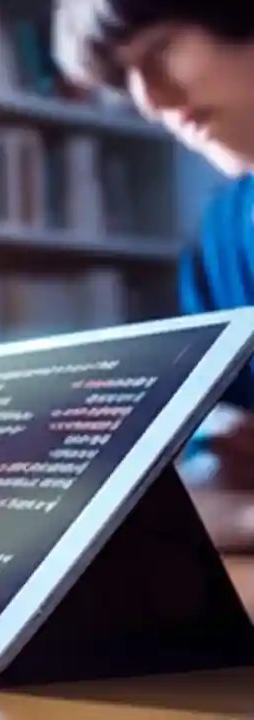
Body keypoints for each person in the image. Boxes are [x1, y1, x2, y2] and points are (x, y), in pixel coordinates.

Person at [54, 0, 254, 489]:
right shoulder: (225, 229)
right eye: (126, 79)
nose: (150, 101)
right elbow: (222, 419)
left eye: (161, 49)